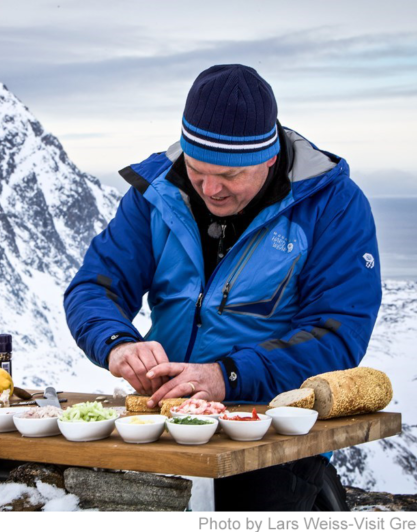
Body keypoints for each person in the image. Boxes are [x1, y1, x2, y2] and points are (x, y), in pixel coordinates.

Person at [64, 64, 382, 511]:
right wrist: (116, 343)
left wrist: (227, 375)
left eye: (231, 176)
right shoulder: (156, 191)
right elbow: (95, 286)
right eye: (196, 169)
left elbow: (338, 333)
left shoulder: (331, 205)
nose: (210, 189)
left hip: (273, 439)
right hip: (166, 429)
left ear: (269, 157)